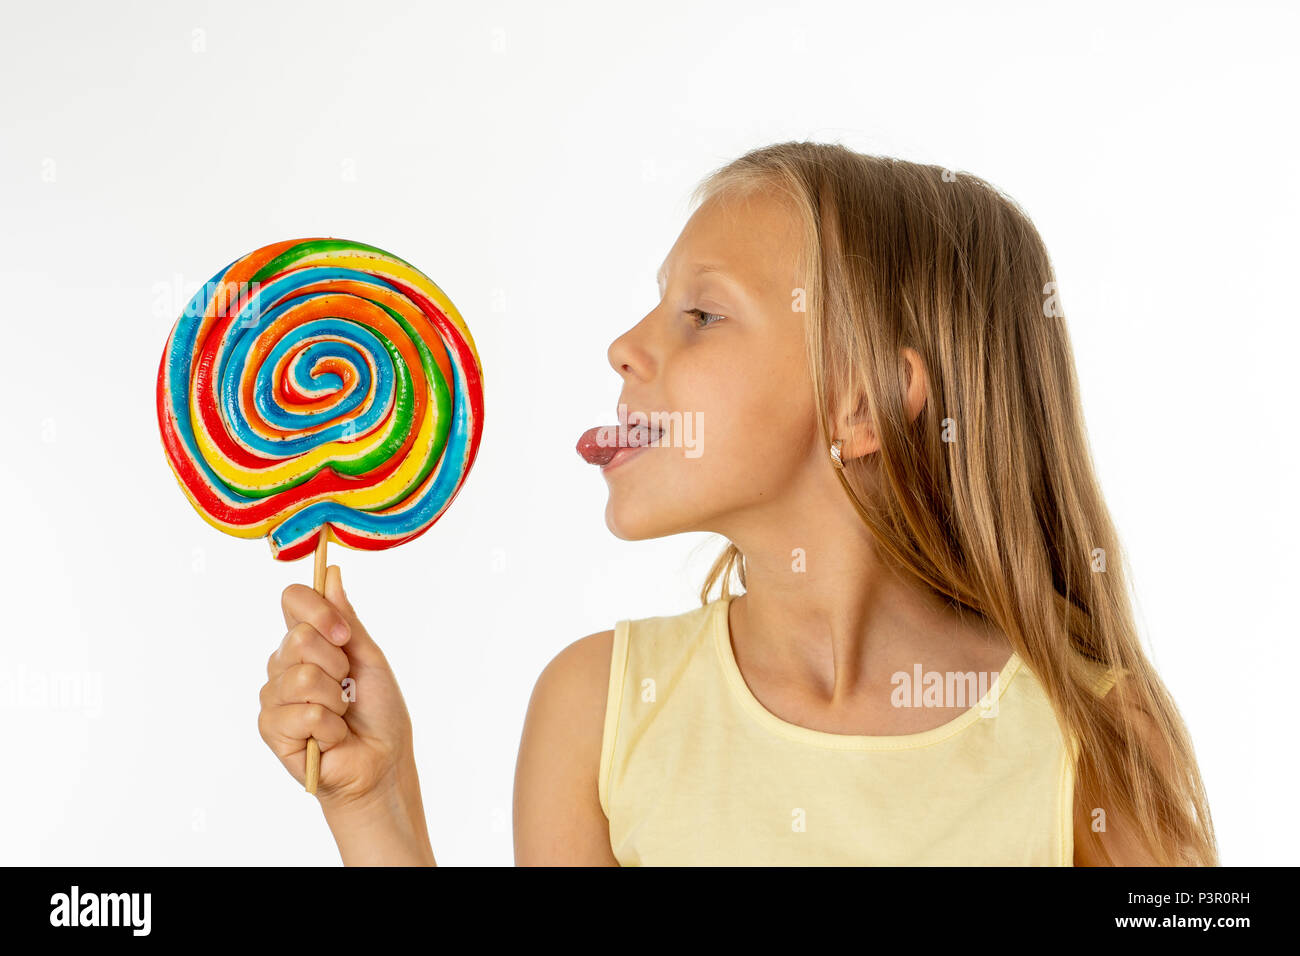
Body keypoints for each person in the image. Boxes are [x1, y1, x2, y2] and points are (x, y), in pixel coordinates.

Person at [258, 142, 1218, 866]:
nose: (625, 347)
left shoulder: (1093, 738)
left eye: (702, 315)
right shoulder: (599, 709)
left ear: (861, 398)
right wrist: (374, 805)